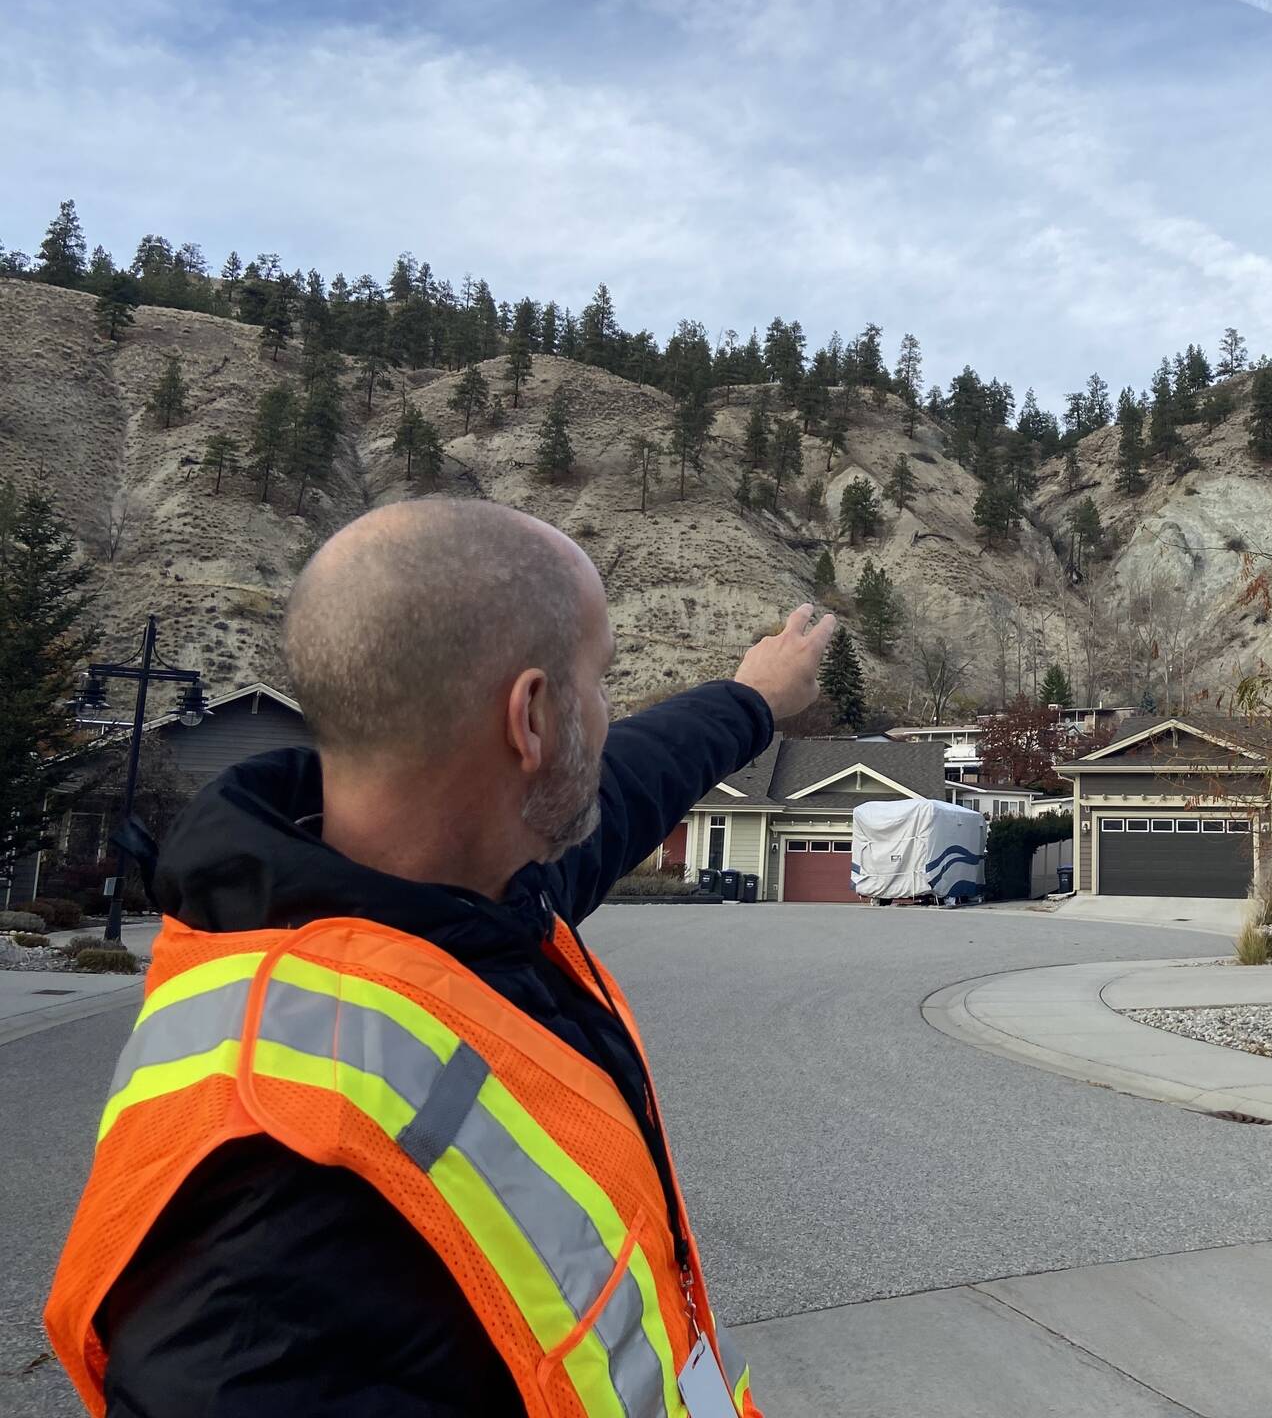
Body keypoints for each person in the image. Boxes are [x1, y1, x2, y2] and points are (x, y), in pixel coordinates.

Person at [46, 498, 833, 1417]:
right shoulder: (265, 1206)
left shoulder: (478, 891)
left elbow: (629, 781)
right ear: (532, 719)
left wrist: (749, 701)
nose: (612, 714)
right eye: (603, 680)